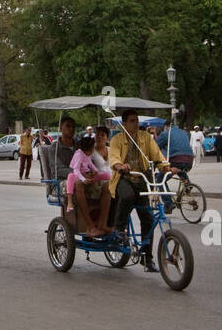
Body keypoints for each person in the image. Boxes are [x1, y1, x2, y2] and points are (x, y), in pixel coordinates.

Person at [107, 109, 171, 271]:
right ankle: (119, 229)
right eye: (132, 121)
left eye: (136, 120)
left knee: (148, 219)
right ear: (125, 123)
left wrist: (166, 167)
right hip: (123, 179)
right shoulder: (117, 139)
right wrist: (120, 166)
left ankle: (147, 259)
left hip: (142, 180)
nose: (136, 123)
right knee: (127, 196)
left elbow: (157, 156)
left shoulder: (145, 138)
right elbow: (113, 157)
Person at [67, 132, 111, 236]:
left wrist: (95, 171)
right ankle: (90, 226)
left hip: (88, 174)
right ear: (91, 148)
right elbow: (76, 170)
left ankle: (102, 224)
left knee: (107, 176)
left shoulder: (87, 155)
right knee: (72, 178)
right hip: (78, 175)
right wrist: (83, 179)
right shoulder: (79, 154)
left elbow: (90, 164)